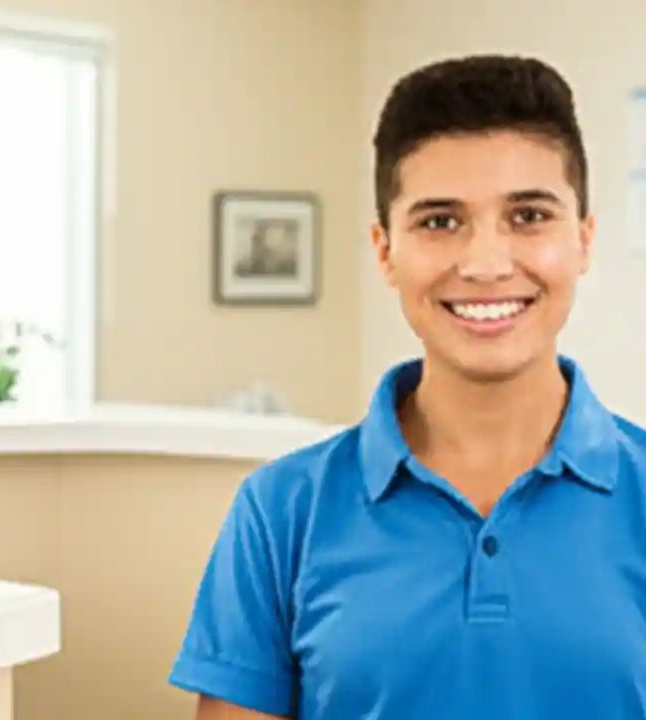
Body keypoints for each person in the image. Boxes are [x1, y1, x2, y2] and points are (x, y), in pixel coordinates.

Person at [169, 54, 646, 719]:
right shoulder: (279, 513)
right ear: (385, 250)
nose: (485, 264)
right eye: (440, 221)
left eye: (529, 215)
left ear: (584, 240)